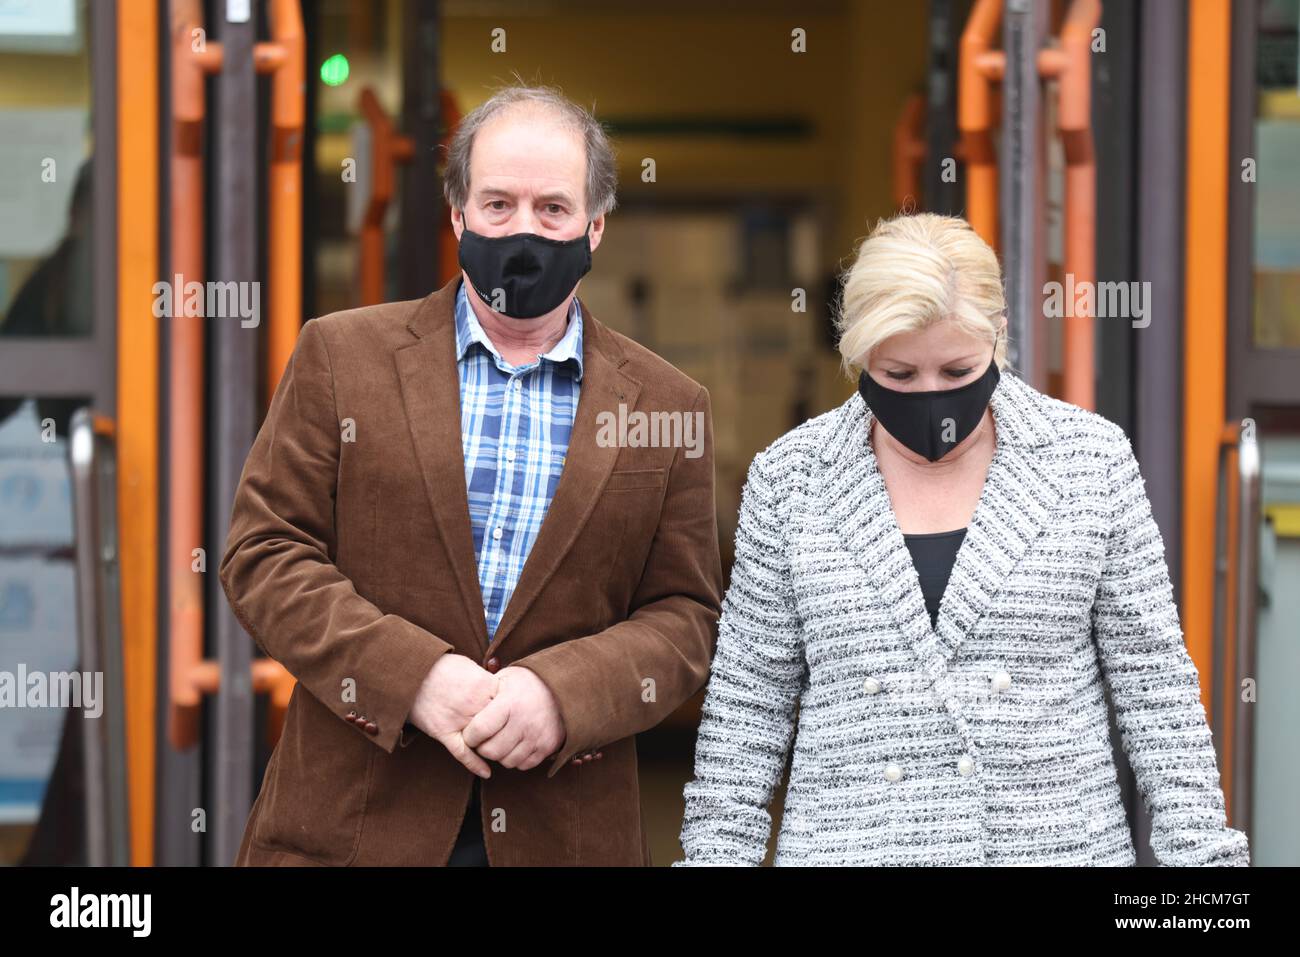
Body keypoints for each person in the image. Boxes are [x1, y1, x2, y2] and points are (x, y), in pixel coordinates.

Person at [221, 84, 722, 866]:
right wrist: (412, 677)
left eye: (553, 209)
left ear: (595, 227)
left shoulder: (668, 405)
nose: (524, 230)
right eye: (497, 204)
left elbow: (687, 614)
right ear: (457, 215)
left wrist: (565, 693)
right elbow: (263, 552)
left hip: (561, 831)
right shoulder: (340, 357)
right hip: (351, 828)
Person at [676, 212, 1250, 866]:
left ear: (999, 337)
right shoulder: (792, 477)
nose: (930, 397)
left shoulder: (1088, 460)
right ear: (857, 354)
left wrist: (1207, 876)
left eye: (956, 372)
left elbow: (1156, 689)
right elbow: (748, 706)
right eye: (898, 375)